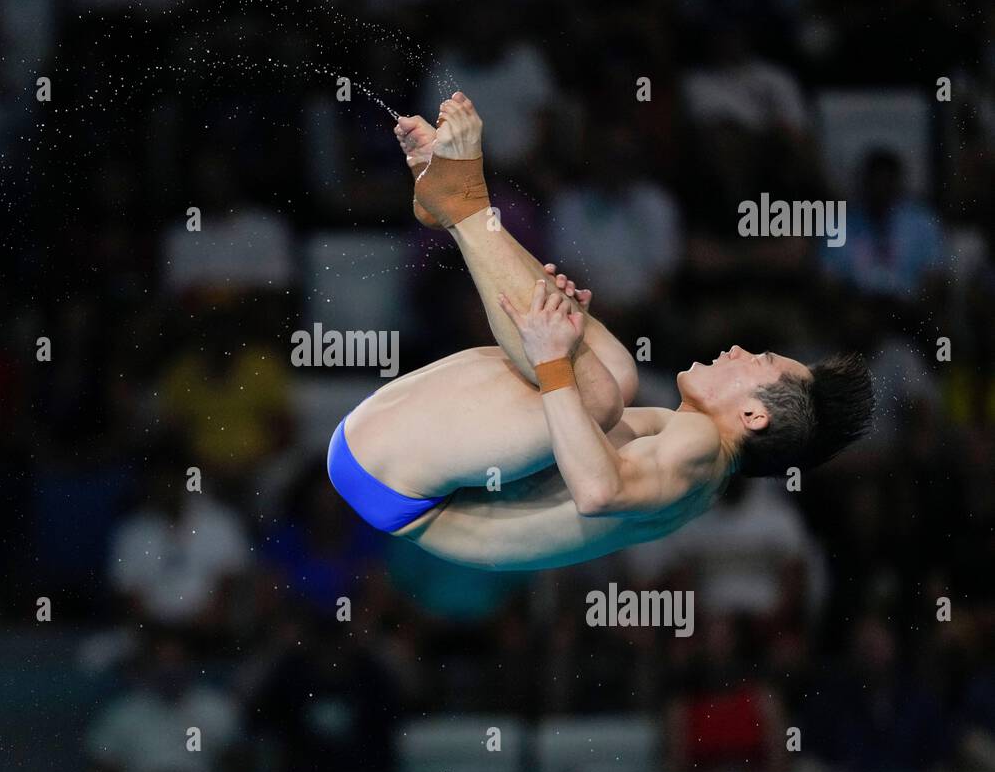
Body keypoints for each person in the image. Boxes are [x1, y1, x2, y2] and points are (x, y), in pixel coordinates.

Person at [326, 93, 873, 570]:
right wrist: (565, 326)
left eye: (757, 361)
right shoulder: (694, 472)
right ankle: (457, 215)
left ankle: (466, 205)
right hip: (387, 475)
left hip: (393, 474)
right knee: (607, 371)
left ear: (755, 416)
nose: (736, 350)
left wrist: (555, 359)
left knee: (596, 390)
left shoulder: (703, 446)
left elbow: (596, 489)